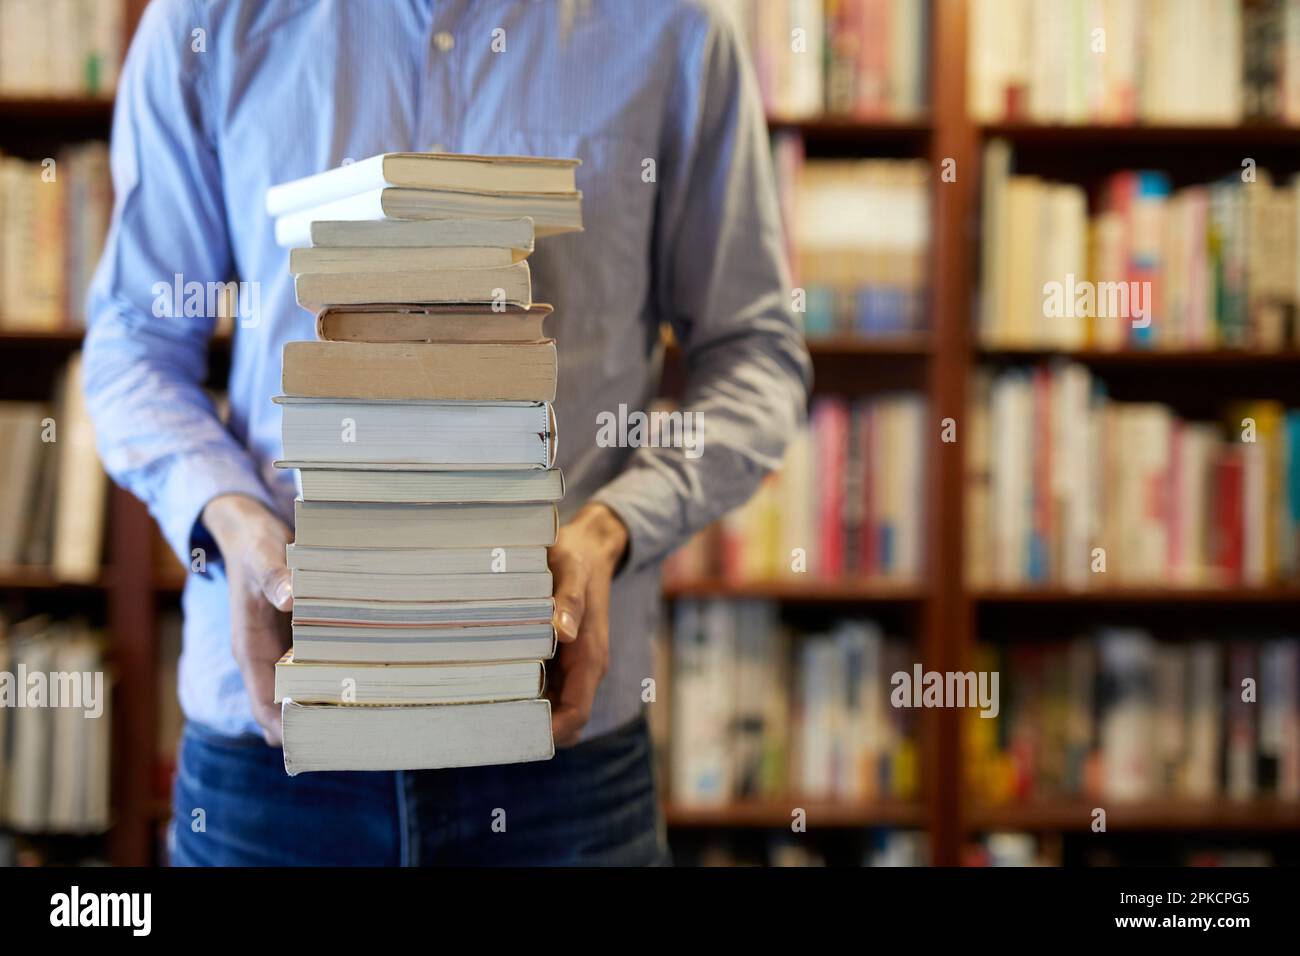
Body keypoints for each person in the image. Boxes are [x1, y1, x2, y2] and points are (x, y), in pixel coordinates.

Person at [84, 0, 811, 866]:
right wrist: (233, 522)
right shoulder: (207, 19)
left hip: (556, 747)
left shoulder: (678, 26)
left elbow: (756, 354)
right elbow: (133, 343)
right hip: (274, 749)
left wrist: (613, 530)